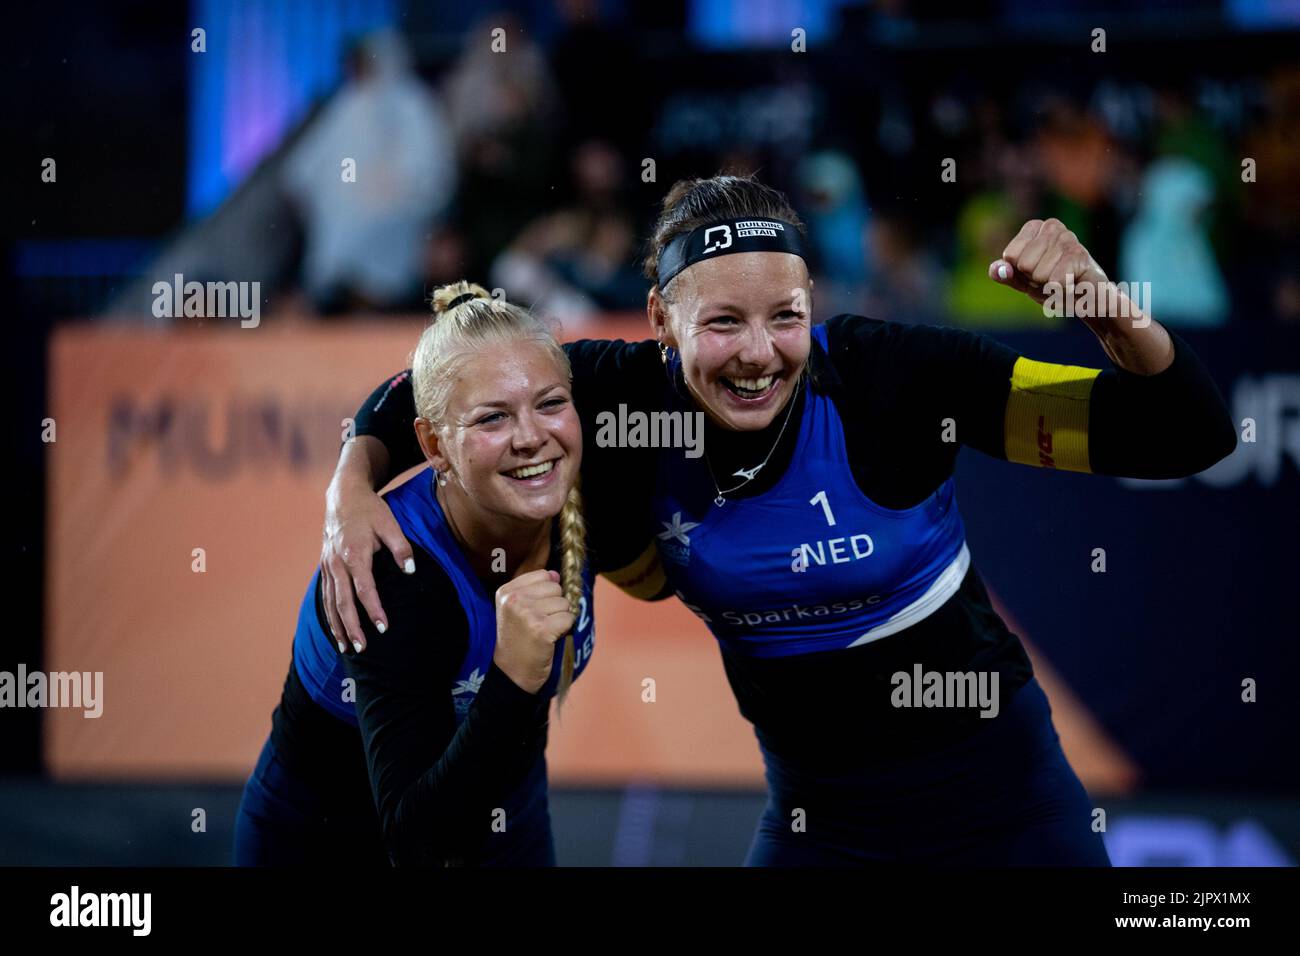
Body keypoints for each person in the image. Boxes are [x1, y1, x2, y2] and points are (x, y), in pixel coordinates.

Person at [324, 175, 1237, 865]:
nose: (759, 355)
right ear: (661, 320)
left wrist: (1103, 307)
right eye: (722, 323)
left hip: (1005, 798)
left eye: (786, 317)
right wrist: (351, 487)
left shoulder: (894, 381)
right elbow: (429, 382)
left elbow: (1185, 433)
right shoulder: (611, 392)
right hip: (818, 819)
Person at [235, 283, 595, 866]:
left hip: (507, 805)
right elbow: (417, 843)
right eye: (492, 418)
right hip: (331, 836)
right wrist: (511, 677)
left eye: (551, 404)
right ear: (433, 444)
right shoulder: (389, 569)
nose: (531, 437)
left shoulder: (581, 462)